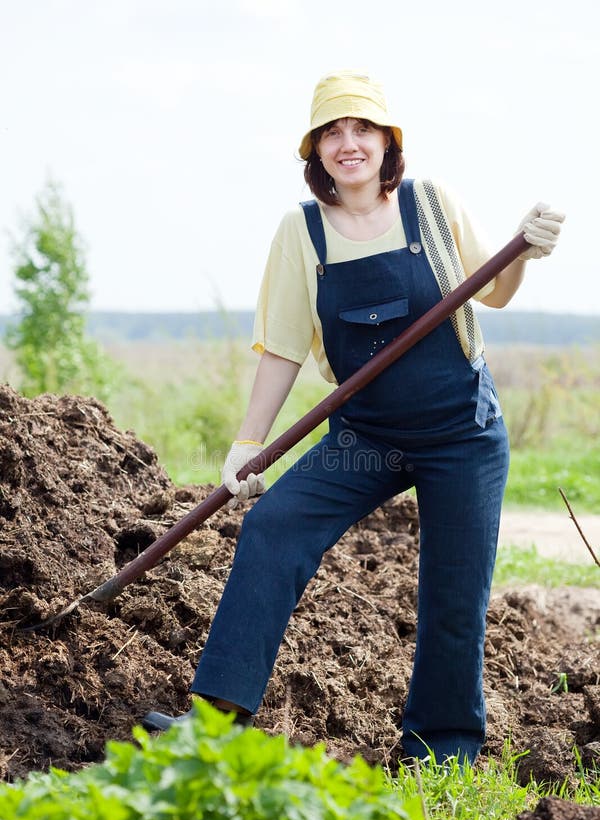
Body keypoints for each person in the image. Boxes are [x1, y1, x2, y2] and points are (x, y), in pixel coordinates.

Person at [143, 70, 564, 764]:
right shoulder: (302, 231)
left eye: (362, 128)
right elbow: (280, 345)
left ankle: (441, 749)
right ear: (315, 150)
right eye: (333, 132)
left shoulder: (431, 205)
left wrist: (528, 251)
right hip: (367, 439)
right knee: (274, 527)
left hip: (462, 435)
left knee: (454, 592)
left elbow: (496, 289)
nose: (349, 143)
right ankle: (214, 727)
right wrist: (249, 440)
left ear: (386, 140)